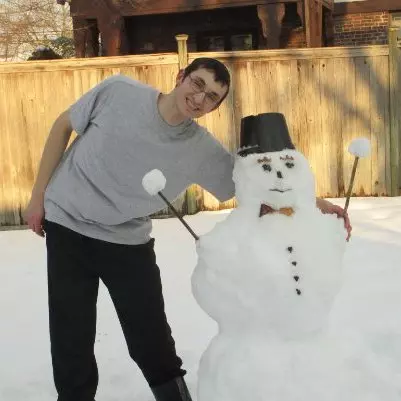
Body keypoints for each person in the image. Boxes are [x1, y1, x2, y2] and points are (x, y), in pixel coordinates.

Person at [23, 57, 352, 401]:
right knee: (70, 335)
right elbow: (63, 124)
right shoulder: (118, 92)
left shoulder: (200, 149)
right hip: (67, 223)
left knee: (150, 337)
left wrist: (314, 202)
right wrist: (38, 196)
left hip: (124, 240)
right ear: (181, 76)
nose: (199, 98)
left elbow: (255, 184)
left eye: (212, 97)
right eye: (198, 84)